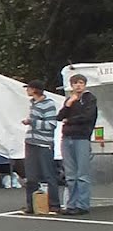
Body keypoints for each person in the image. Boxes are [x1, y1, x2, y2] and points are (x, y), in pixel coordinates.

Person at [58, 73, 98, 215]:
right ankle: (71, 204)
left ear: (85, 84)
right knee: (70, 174)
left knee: (82, 174)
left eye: (81, 83)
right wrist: (68, 104)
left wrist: (70, 120)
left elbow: (87, 117)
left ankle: (82, 205)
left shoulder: (89, 99)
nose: (78, 85)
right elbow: (59, 116)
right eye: (75, 83)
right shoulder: (70, 99)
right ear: (72, 85)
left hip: (81, 137)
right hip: (67, 137)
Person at [20, 81, 62, 215]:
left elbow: (51, 124)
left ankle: (54, 204)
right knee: (31, 175)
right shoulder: (33, 103)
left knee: (48, 174)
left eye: (28, 88)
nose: (27, 90)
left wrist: (32, 122)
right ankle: (31, 204)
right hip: (31, 142)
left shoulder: (48, 104)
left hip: (44, 143)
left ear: (34, 89)